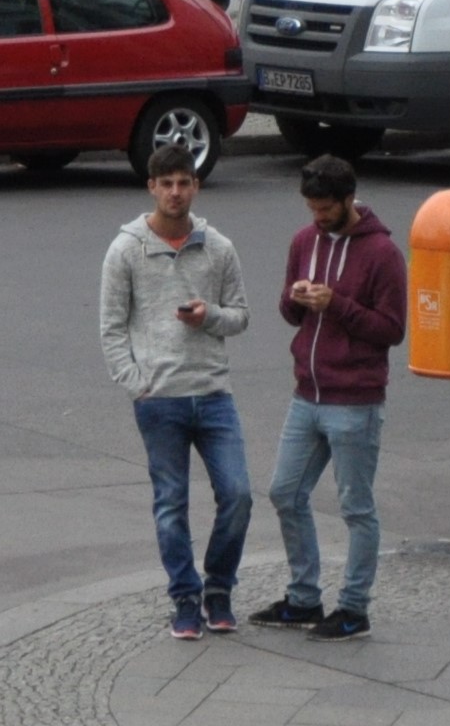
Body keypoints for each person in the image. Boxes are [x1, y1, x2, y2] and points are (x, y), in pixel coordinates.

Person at [100, 145, 252, 641]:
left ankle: (218, 590)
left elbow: (241, 316)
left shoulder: (219, 248)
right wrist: (137, 384)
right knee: (171, 504)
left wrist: (208, 315)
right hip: (159, 399)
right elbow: (112, 329)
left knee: (238, 495)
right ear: (151, 188)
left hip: (212, 393)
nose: (175, 192)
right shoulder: (126, 250)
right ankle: (184, 597)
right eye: (166, 183)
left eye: (184, 182)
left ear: (196, 186)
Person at [262, 155, 405, 641]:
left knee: (356, 508)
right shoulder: (304, 241)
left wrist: (337, 305)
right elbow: (287, 312)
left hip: (355, 400)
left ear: (349, 200)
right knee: (285, 492)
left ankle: (353, 607)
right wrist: (296, 298)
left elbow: (391, 329)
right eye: (312, 208)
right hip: (307, 393)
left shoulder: (382, 253)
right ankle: (304, 598)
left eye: (326, 209)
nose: (318, 217)